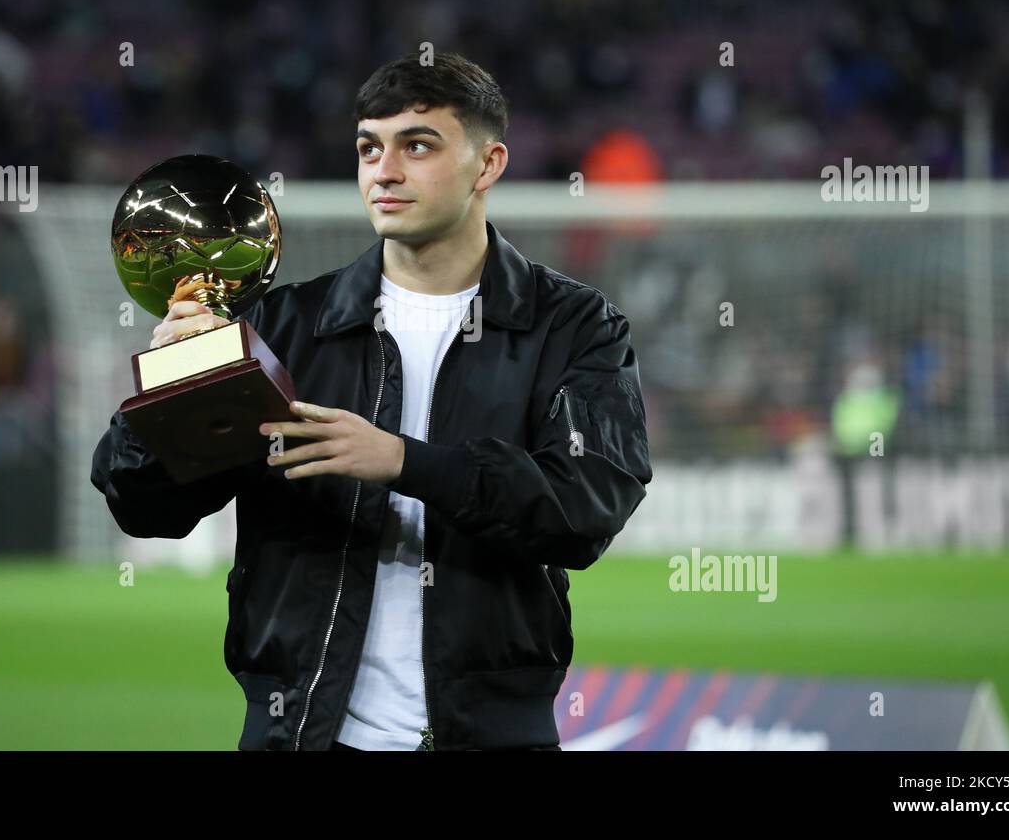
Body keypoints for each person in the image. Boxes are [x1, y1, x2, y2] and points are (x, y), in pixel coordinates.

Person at [91, 52, 653, 750]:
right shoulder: (285, 328)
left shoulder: (571, 326)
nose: (383, 171)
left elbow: (588, 505)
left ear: (488, 164)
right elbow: (145, 507)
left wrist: (402, 462)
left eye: (417, 145)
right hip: (302, 734)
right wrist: (175, 384)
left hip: (492, 736)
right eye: (368, 148)